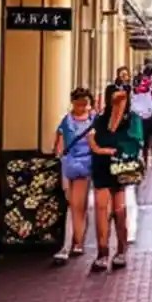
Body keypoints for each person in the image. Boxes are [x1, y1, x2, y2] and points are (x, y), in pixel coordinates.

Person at [86, 83, 144, 272]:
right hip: (102, 166)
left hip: (120, 167)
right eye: (116, 99)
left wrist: (112, 147)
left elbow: (135, 142)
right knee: (102, 209)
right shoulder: (100, 119)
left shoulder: (132, 119)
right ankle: (102, 252)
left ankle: (121, 249)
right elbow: (93, 140)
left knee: (119, 210)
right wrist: (100, 149)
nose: (119, 103)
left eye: (123, 99)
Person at [53, 87, 95, 265]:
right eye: (79, 104)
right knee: (74, 204)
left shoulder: (92, 120)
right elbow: (59, 143)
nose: (82, 107)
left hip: (83, 165)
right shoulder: (68, 121)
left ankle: (75, 242)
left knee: (76, 204)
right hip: (68, 164)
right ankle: (75, 240)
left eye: (85, 104)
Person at [132, 75, 152, 169]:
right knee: (145, 143)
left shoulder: (149, 91)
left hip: (150, 119)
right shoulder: (135, 94)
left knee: (151, 141)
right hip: (143, 120)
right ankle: (147, 163)